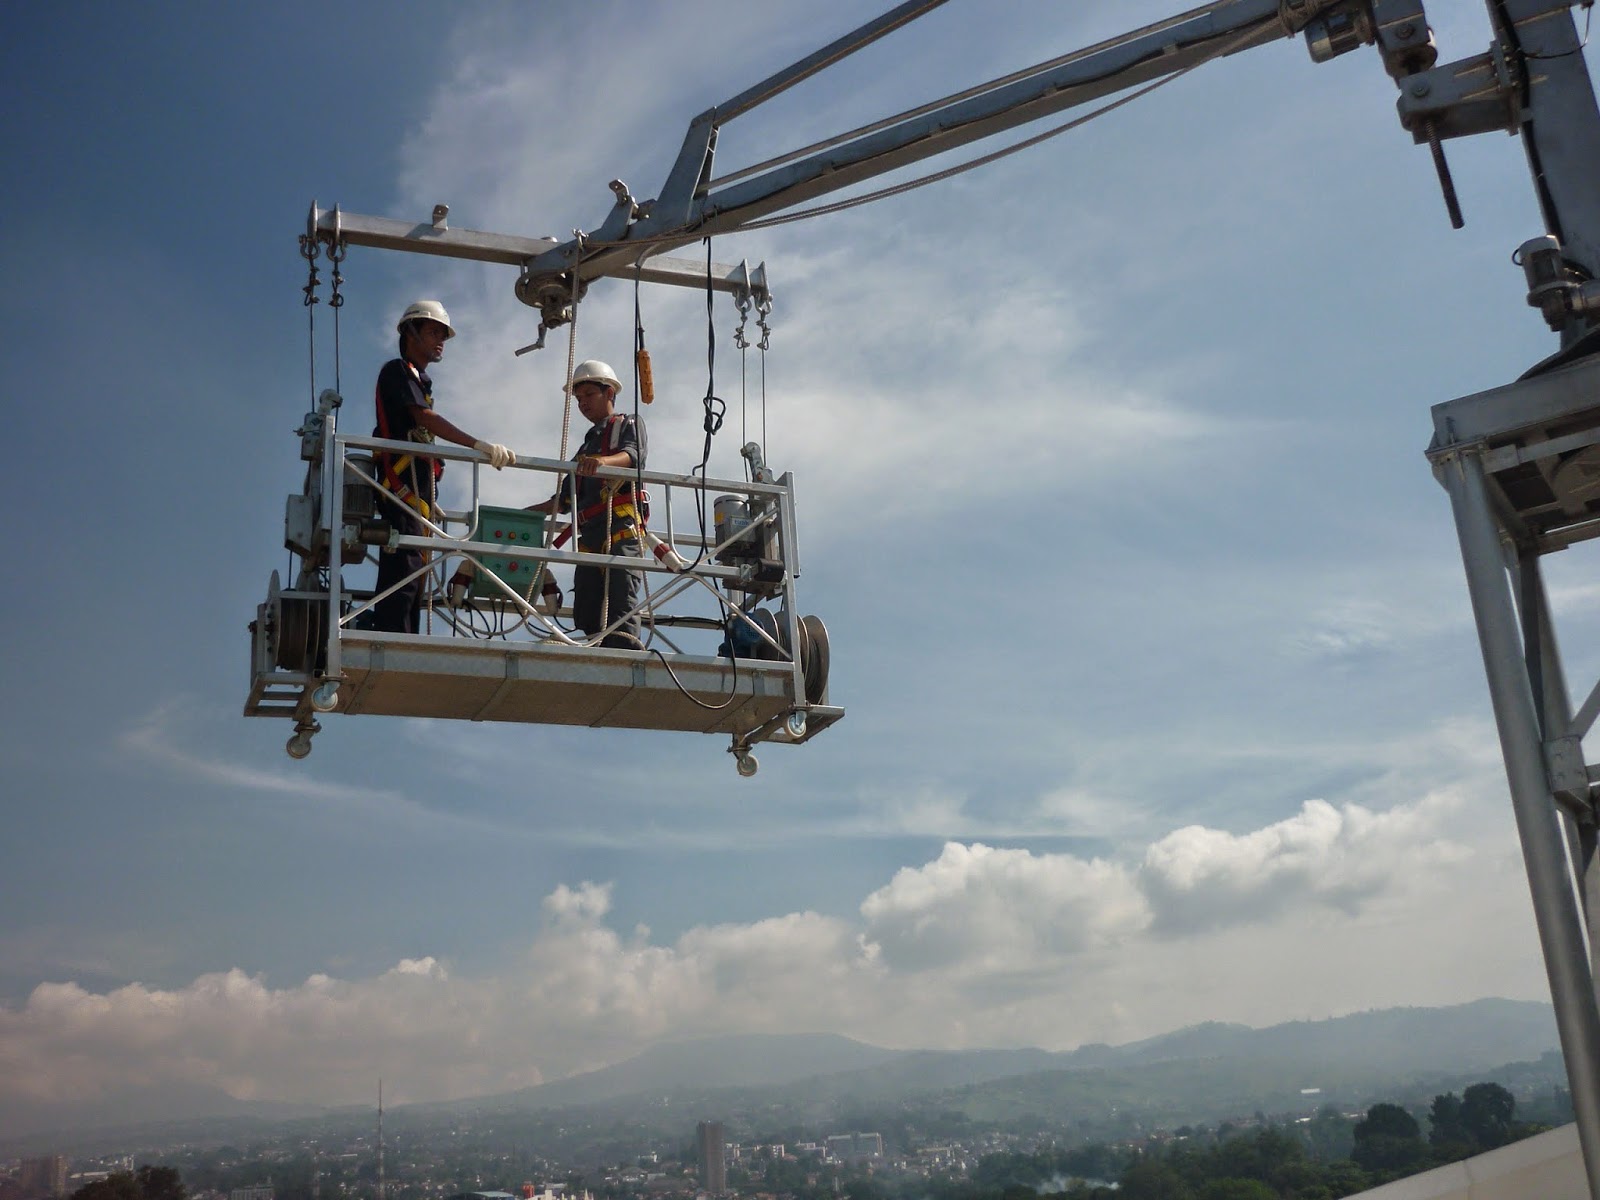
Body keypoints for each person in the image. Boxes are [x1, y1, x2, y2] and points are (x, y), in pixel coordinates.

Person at [370, 300, 515, 634]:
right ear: (411, 332)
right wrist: (477, 444)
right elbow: (424, 419)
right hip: (400, 491)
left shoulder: (419, 381)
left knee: (416, 572)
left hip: (414, 495)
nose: (440, 341)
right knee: (404, 569)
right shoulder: (398, 371)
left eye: (443, 335)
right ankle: (393, 639)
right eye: (434, 331)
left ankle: (403, 638)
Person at [529, 359, 647, 649]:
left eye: (588, 395)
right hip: (591, 537)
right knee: (588, 609)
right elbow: (565, 500)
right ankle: (595, 651)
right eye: (578, 398)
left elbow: (634, 457)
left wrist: (602, 463)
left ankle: (624, 654)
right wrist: (523, 515)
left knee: (621, 603)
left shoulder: (627, 425)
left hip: (620, 530)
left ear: (609, 393)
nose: (582, 403)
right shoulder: (586, 448)